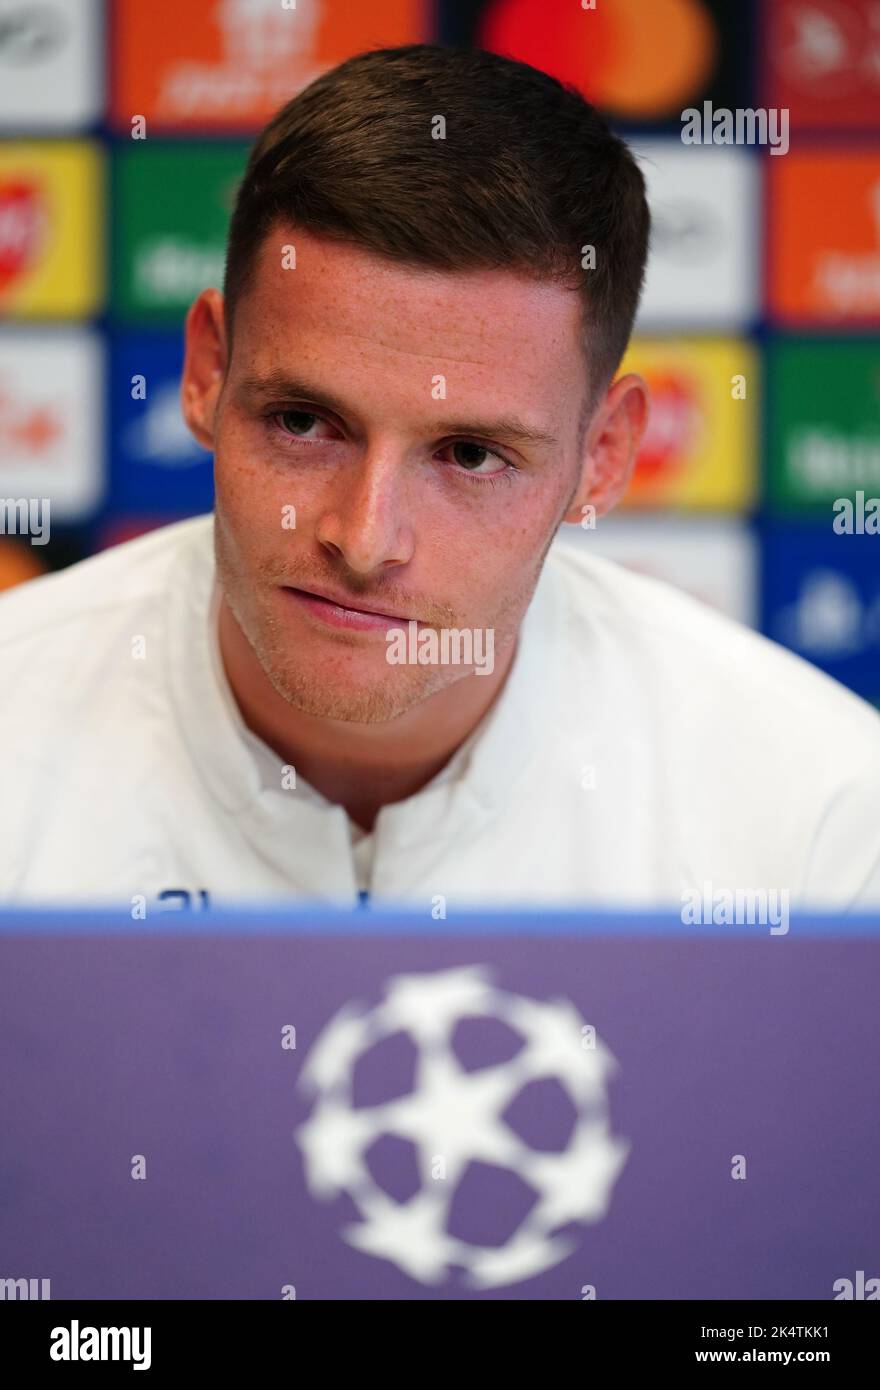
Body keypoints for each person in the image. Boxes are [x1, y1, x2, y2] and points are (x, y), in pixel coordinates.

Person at [1, 44, 878, 911]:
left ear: (603, 457)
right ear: (206, 373)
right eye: (303, 423)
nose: (365, 537)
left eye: (470, 455)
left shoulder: (822, 831)